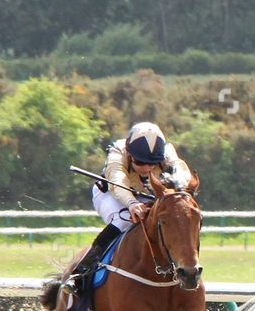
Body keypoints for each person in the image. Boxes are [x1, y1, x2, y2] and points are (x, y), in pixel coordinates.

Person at [68, 121, 193, 293]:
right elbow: (118, 184)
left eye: (152, 163)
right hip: (111, 194)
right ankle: (81, 272)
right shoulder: (118, 152)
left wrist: (180, 182)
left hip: (146, 194)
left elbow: (181, 169)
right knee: (124, 219)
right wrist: (132, 204)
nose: (147, 168)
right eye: (140, 162)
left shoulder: (166, 152)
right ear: (130, 152)